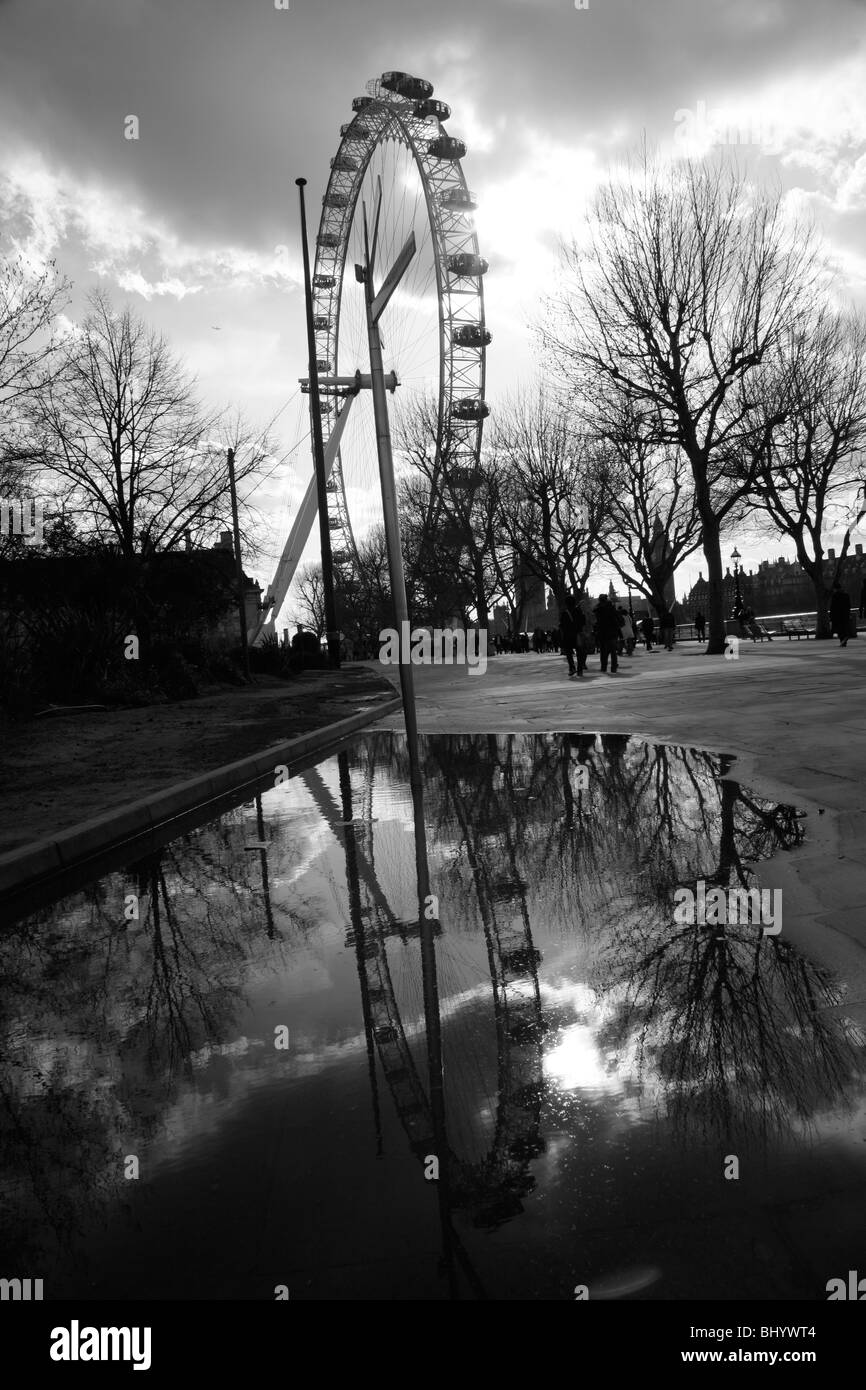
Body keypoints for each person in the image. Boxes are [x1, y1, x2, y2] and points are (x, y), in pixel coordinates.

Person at [560, 592, 587, 678]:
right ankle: (580, 670)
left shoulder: (564, 613)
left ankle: (572, 667)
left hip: (568, 635)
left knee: (569, 653)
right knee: (580, 653)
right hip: (577, 635)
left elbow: (562, 625)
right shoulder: (579, 612)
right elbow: (583, 622)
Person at [593, 593, 621, 674]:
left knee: (603, 651)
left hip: (602, 631)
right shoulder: (611, 607)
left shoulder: (598, 608)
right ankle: (614, 667)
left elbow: (594, 612)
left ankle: (604, 667)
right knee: (613, 651)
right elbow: (615, 618)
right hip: (612, 631)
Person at [829, 581, 852, 647]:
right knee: (844, 627)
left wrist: (831, 616)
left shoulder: (835, 596)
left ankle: (842, 641)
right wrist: (848, 613)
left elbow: (833, 607)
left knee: (839, 629)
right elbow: (848, 605)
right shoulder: (846, 595)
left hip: (837, 615)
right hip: (845, 614)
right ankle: (844, 640)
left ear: (835, 588)